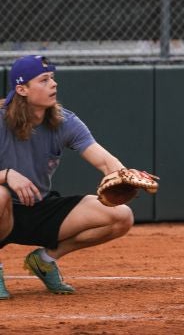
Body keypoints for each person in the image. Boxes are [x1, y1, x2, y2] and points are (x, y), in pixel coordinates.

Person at [0, 55, 139, 298]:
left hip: (39, 207)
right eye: (44, 80)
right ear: (22, 89)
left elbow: (105, 160)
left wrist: (123, 175)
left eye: (52, 78)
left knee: (121, 216)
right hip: (4, 211)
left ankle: (44, 260)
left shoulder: (64, 121)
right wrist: (7, 175)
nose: (53, 84)